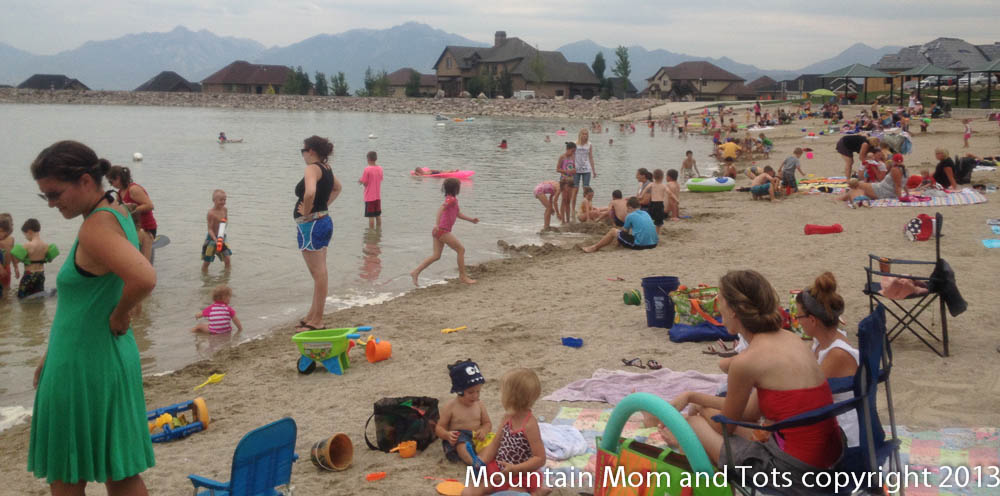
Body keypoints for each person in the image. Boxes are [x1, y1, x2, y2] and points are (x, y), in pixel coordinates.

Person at [28, 140, 156, 494]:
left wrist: (120, 314)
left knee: (68, 471)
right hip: (108, 356)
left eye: (55, 193)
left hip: (83, 365)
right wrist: (50, 352)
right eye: (45, 198)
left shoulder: (95, 228)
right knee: (120, 468)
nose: (52, 204)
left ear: (86, 181)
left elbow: (144, 278)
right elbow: (92, 298)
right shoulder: (117, 211)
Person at [662, 270, 843, 474]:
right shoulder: (792, 339)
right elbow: (749, 412)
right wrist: (693, 397)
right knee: (707, 416)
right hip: (830, 456)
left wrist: (694, 421)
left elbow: (727, 426)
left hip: (795, 468)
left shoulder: (747, 361)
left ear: (733, 310)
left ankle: (685, 451)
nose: (717, 309)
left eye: (719, 302)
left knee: (693, 424)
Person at [795, 272, 859, 447]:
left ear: (813, 320)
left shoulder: (837, 354)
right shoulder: (821, 343)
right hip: (829, 419)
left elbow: (807, 396)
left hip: (843, 435)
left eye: (799, 317)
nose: (797, 322)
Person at [462, 368, 547, 496]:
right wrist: (482, 460)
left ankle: (538, 492)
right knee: (468, 492)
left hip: (520, 477)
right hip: (498, 471)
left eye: (503, 393)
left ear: (511, 398)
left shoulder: (529, 424)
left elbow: (540, 458)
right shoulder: (507, 418)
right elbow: (495, 444)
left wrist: (515, 469)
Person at [294, 136, 342, 331]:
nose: (303, 155)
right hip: (323, 221)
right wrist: (323, 206)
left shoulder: (312, 168)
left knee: (319, 273)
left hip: (311, 226)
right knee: (319, 272)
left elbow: (310, 192)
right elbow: (338, 188)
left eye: (303, 151)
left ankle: (317, 320)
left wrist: (306, 212)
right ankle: (312, 315)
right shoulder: (326, 168)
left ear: (311, 151)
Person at [411, 178, 479, 286]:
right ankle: (463, 276)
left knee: (436, 256)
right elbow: (440, 209)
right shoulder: (451, 200)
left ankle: (415, 272)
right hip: (442, 230)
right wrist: (437, 224)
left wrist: (471, 220)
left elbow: (458, 214)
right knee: (461, 250)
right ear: (456, 189)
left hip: (438, 231)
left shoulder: (452, 200)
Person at [436, 359, 492, 468]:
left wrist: (484, 430)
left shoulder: (479, 404)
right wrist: (447, 435)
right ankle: (474, 463)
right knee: (462, 445)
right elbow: (439, 428)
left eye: (478, 391)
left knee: (494, 441)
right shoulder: (450, 407)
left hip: (476, 437)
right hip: (458, 439)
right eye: (470, 392)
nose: (475, 396)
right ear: (459, 391)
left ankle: (483, 459)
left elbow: (487, 423)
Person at [582, 197, 657, 252]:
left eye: (627, 209)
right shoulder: (645, 213)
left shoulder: (630, 215)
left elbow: (624, 232)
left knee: (613, 231)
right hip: (653, 243)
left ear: (630, 208)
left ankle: (595, 247)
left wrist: (617, 243)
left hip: (641, 245)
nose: (626, 211)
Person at [107, 165, 157, 238]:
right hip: (133, 229)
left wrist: (132, 210)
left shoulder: (133, 189)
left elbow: (150, 206)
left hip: (147, 229)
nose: (111, 185)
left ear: (118, 178)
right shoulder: (119, 193)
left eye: (111, 182)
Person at [17, 218, 56, 299]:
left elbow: (18, 260)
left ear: (29, 231)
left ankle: (26, 311)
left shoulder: (27, 245)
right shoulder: (46, 246)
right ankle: (38, 310)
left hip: (29, 274)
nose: (26, 237)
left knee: (22, 298)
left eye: (25, 235)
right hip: (40, 275)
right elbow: (50, 260)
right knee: (38, 297)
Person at [201, 189, 232, 273]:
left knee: (227, 259)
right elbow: (210, 229)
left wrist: (221, 235)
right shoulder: (211, 213)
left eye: (225, 200)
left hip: (221, 237)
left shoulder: (225, 209)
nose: (223, 202)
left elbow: (226, 221)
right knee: (207, 261)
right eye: (221, 200)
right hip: (212, 239)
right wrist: (215, 239)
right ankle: (205, 278)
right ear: (214, 200)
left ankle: (226, 279)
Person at [571, 129, 596, 219]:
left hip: (586, 169)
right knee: (575, 190)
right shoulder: (575, 143)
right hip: (576, 170)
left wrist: (593, 170)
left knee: (587, 190)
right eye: (583, 134)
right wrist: (570, 169)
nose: (585, 136)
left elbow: (591, 157)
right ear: (580, 134)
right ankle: (573, 210)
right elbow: (571, 157)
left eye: (586, 134)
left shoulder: (589, 144)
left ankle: (588, 209)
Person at [359, 151, 384, 229]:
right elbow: (380, 179)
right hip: (377, 196)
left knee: (371, 216)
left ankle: (371, 233)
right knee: (378, 215)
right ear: (376, 159)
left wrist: (360, 181)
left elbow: (364, 182)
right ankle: (379, 230)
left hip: (369, 197)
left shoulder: (367, 169)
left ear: (368, 159)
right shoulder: (380, 168)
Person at [0, 214, 18, 297]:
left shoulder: (11, 239)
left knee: (6, 289)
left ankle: (6, 307)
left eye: (12, 223)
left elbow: (12, 253)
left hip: (7, 266)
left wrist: (16, 267)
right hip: (1, 266)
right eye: (10, 223)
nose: (12, 225)